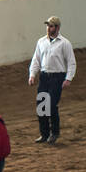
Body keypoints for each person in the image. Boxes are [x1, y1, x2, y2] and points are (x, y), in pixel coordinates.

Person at [27, 15, 76, 144]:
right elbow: (36, 60)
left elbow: (71, 62)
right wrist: (32, 75)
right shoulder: (41, 42)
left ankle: (54, 133)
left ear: (57, 27)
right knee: (41, 106)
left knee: (51, 105)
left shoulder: (65, 43)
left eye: (51, 26)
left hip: (57, 77)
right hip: (44, 77)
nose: (48, 28)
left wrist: (68, 78)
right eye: (48, 25)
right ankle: (44, 134)